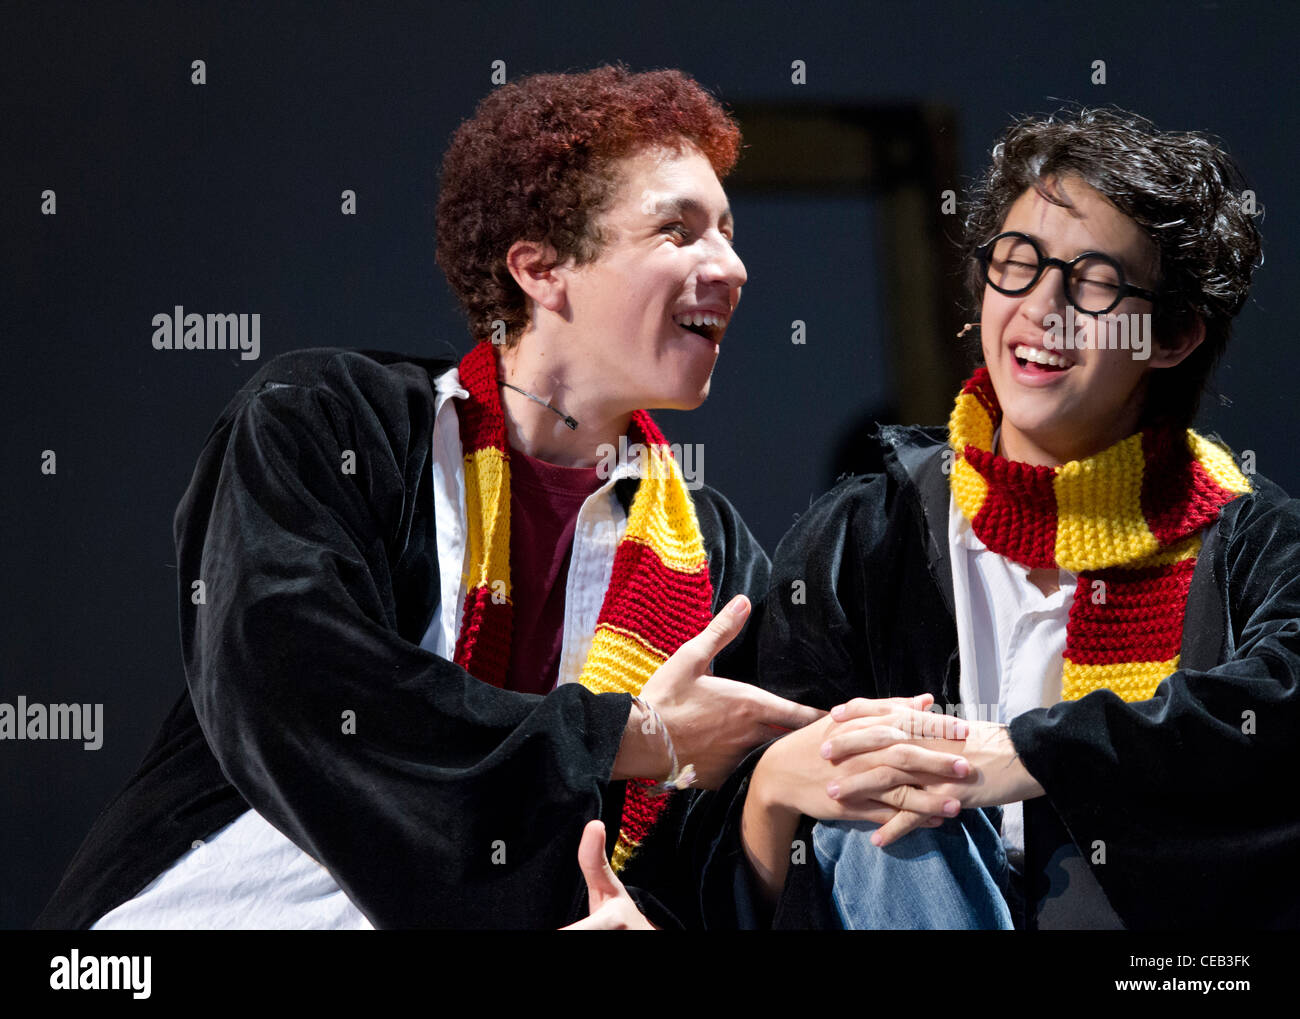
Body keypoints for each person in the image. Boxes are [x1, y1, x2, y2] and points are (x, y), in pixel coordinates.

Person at [35, 65, 818, 930]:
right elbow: (293, 680)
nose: (733, 266)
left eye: (731, 232)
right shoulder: (327, 421)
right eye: (680, 230)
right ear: (541, 268)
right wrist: (623, 736)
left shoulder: (713, 553)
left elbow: (694, 849)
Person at [699, 106, 1297, 930]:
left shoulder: (1250, 543)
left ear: (1172, 333)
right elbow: (735, 870)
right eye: (1017, 263)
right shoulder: (862, 540)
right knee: (888, 818)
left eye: (1092, 282)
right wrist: (771, 788)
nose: (1040, 308)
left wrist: (1025, 754)